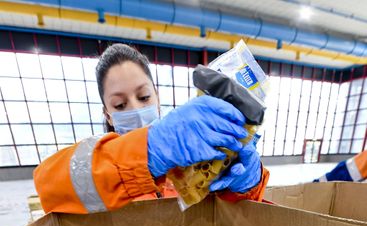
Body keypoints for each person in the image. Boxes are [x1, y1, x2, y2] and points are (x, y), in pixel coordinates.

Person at [34, 44, 269, 214]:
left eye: (143, 96)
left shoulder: (192, 152)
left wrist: (248, 186)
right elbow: (48, 187)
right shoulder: (94, 160)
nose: (135, 108)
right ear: (108, 114)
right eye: (120, 105)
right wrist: (148, 151)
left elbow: (238, 222)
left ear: (157, 97)